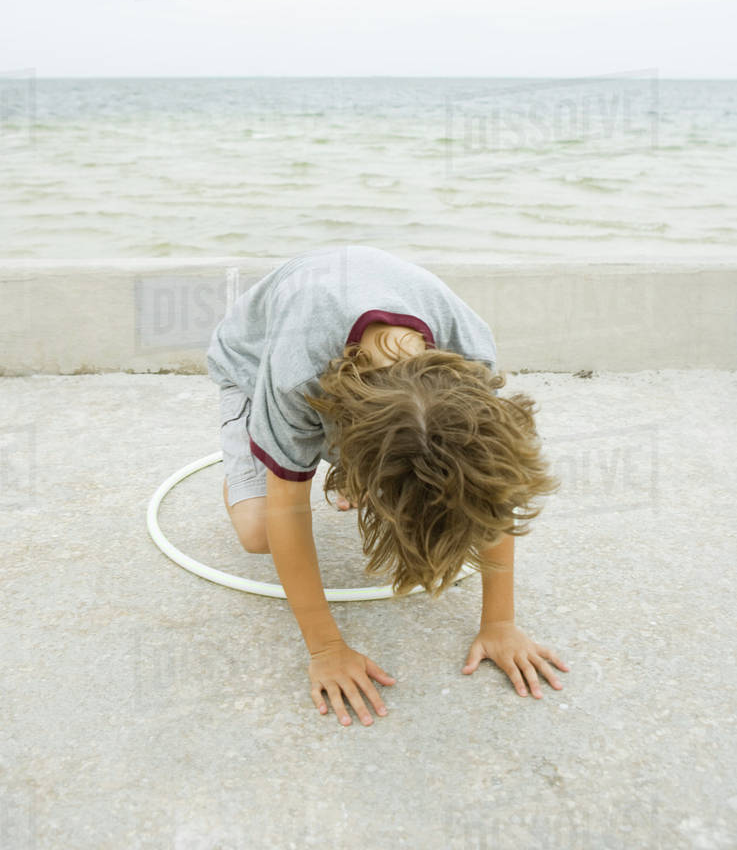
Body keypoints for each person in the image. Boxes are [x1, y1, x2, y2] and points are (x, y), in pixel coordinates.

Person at [206, 244, 569, 728]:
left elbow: (490, 494)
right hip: (253, 362)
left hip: (353, 340)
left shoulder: (471, 355)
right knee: (259, 532)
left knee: (432, 479)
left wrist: (500, 623)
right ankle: (273, 459)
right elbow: (289, 508)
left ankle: (360, 473)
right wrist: (326, 648)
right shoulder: (296, 377)